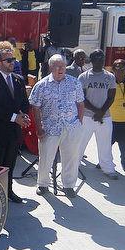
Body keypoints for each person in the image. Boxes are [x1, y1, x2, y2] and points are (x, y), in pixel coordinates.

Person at [0, 47, 31, 202]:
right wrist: (15, 117)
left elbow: (24, 102)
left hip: (14, 132)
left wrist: (23, 115)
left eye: (13, 59)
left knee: (10, 164)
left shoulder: (18, 79)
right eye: (9, 60)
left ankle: (8, 191)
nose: (12, 63)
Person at [29, 54, 85, 195]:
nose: (61, 69)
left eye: (63, 66)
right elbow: (35, 108)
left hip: (71, 126)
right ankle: (42, 184)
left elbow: (80, 103)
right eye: (57, 66)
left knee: (71, 157)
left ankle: (68, 185)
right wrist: (39, 128)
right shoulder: (41, 85)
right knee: (46, 157)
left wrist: (79, 122)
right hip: (49, 128)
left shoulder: (74, 83)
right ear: (50, 67)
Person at [76, 50, 118, 179]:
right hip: (87, 116)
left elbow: (111, 97)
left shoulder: (110, 76)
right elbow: (81, 97)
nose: (101, 60)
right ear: (92, 60)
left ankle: (108, 168)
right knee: (79, 143)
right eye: (98, 58)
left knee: (105, 144)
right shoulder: (83, 77)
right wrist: (96, 111)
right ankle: (73, 166)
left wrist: (102, 112)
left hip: (105, 117)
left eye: (102, 58)